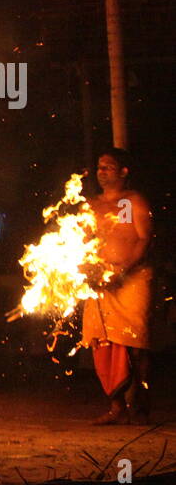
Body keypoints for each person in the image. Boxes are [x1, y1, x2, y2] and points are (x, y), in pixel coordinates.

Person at [83, 148, 153, 424]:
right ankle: (116, 407)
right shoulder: (92, 205)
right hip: (102, 284)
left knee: (136, 344)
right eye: (99, 167)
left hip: (133, 279)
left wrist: (123, 270)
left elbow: (143, 239)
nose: (102, 172)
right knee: (103, 343)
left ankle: (142, 406)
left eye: (109, 167)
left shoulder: (133, 201)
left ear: (124, 172)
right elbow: (84, 243)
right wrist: (89, 271)